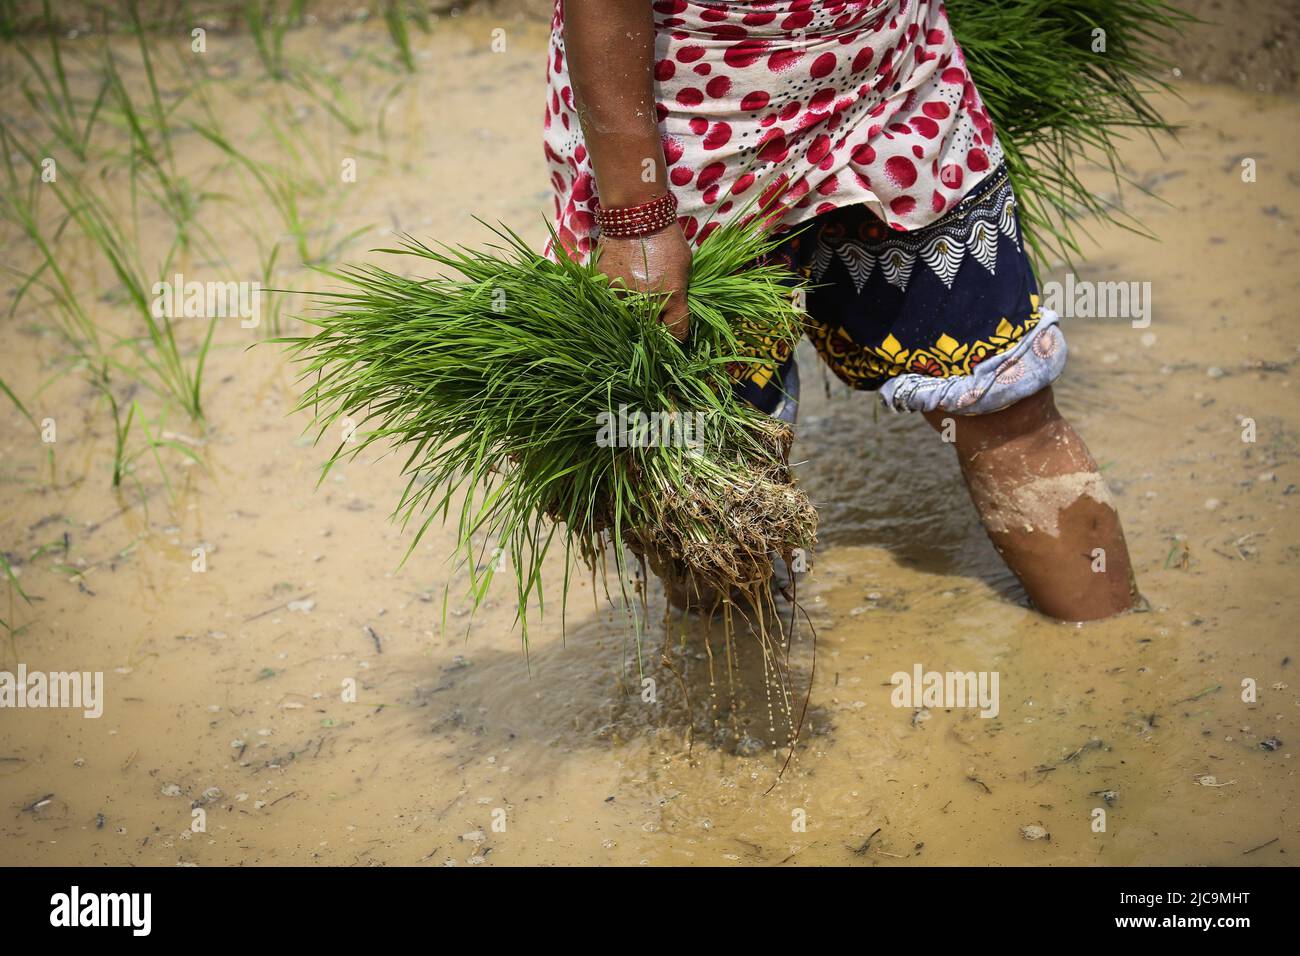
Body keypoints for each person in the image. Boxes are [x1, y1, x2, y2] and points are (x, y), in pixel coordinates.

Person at [544, 0, 1138, 622]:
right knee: (710, 481)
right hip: (689, 135)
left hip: (894, 86)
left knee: (1008, 405)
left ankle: (1121, 659)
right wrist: (637, 215)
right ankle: (734, 694)